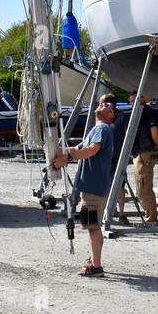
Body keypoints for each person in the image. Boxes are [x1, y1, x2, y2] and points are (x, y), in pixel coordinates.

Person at [52, 93, 116, 276]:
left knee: (92, 227)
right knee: (93, 226)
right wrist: (62, 153)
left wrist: (68, 157)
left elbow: (90, 150)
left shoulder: (103, 129)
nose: (103, 105)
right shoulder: (95, 130)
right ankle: (94, 259)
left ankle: (96, 267)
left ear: (111, 116)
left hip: (93, 187)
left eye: (108, 107)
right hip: (93, 186)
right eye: (102, 103)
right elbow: (79, 148)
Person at [130, 97, 158, 224]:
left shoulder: (147, 112)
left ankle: (151, 217)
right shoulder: (141, 112)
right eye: (130, 101)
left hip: (145, 151)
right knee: (141, 185)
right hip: (140, 151)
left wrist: (156, 145)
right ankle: (148, 214)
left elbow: (154, 130)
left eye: (133, 101)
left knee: (144, 185)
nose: (131, 104)